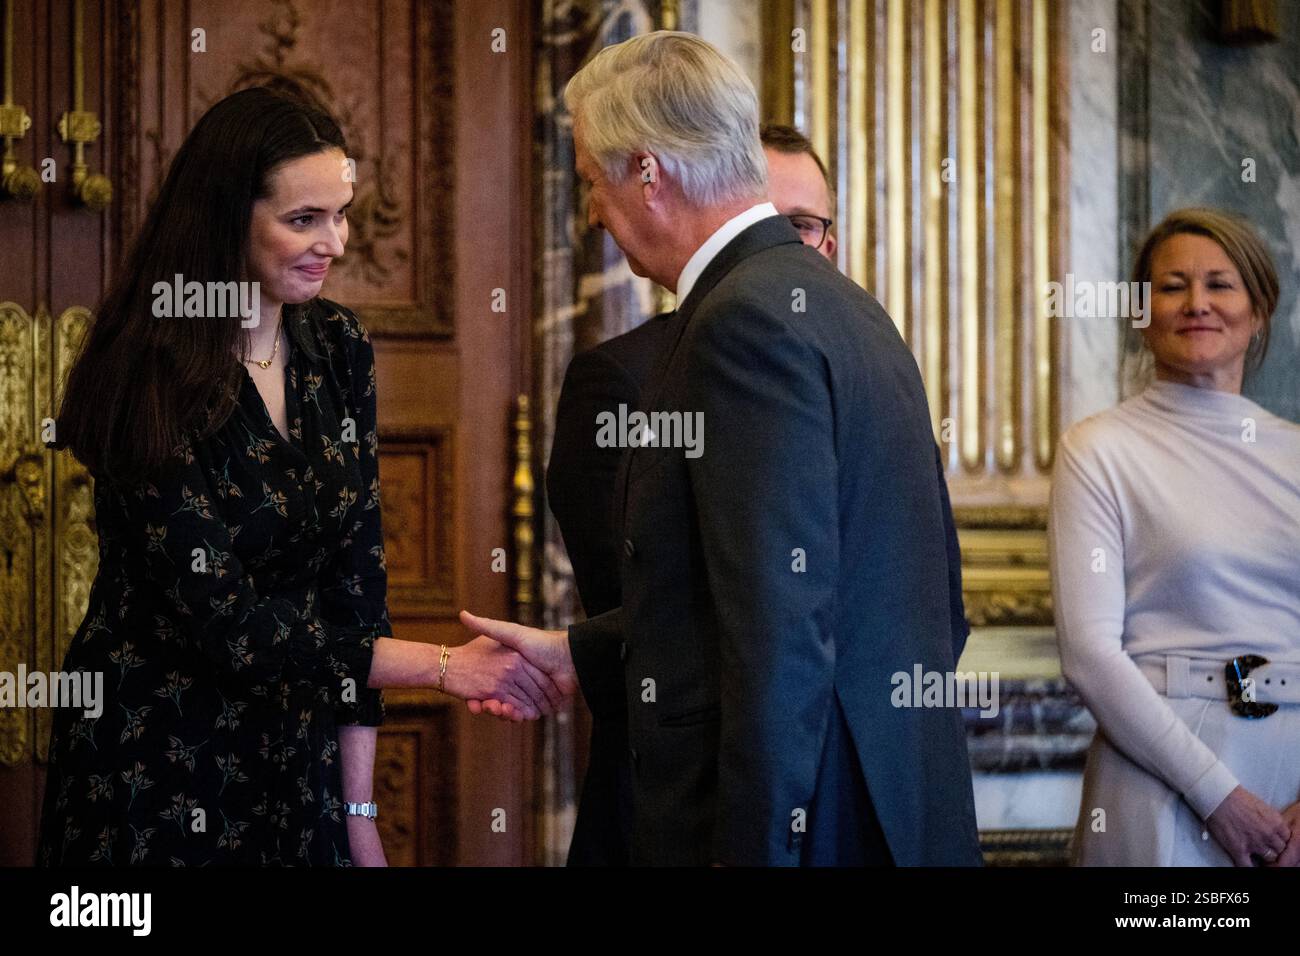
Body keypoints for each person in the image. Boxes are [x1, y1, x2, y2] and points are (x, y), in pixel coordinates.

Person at [464, 31, 982, 866]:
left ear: (647, 171)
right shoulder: (843, 307)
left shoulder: (741, 323)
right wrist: (581, 651)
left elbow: (778, 634)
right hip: (888, 810)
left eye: (593, 180)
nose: (593, 209)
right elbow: (907, 600)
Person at [40, 86, 564, 866]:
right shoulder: (143, 368)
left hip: (300, 763)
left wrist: (357, 812)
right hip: (155, 761)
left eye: (342, 213)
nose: (336, 243)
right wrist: (446, 666)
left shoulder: (338, 345)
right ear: (226, 220)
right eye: (303, 220)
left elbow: (358, 583)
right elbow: (230, 624)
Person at [1049, 207, 1300, 866]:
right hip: (1163, 778)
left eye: (1220, 284)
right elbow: (1089, 656)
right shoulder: (1098, 449)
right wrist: (1219, 797)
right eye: (1172, 286)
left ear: (1260, 309)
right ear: (1141, 311)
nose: (1197, 304)